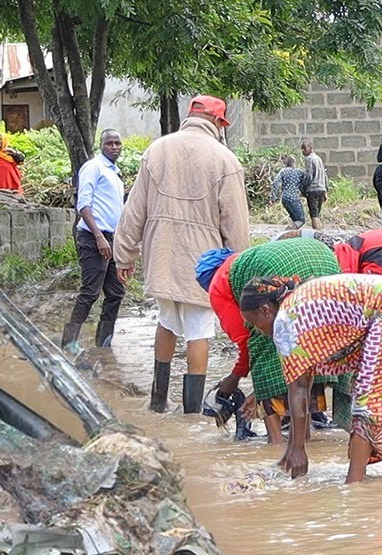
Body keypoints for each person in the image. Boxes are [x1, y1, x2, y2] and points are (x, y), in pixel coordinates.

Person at [115, 94, 251, 413]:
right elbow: (235, 223)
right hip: (203, 263)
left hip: (160, 254)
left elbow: (134, 210)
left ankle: (158, 400)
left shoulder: (157, 150)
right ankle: (192, 413)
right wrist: (241, 270)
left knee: (167, 321)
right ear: (218, 122)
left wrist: (125, 254)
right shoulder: (225, 160)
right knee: (199, 329)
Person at [239, 274, 382, 484]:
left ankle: (353, 487)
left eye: (254, 324)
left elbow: (299, 388)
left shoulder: (286, 320)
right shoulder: (295, 303)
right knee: (369, 390)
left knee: (369, 399)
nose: (257, 330)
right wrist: (295, 444)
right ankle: (359, 479)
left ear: (265, 310)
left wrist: (297, 449)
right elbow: (305, 378)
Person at [196, 237, 341, 443]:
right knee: (311, 340)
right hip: (325, 258)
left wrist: (232, 381)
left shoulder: (218, 286)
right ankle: (304, 432)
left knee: (263, 349)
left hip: (280, 267)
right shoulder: (244, 263)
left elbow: (247, 342)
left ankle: (275, 442)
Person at [62, 129, 126, 354]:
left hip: (112, 239)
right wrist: (98, 236)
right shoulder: (93, 167)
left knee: (116, 292)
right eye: (110, 143)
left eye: (118, 143)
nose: (114, 147)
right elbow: (83, 204)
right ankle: (69, 342)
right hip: (93, 237)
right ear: (101, 145)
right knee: (90, 291)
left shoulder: (115, 173)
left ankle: (104, 342)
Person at [270, 155, 309, 229]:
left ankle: (290, 234)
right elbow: (307, 180)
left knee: (295, 220)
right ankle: (287, 234)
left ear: (286, 163)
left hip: (284, 198)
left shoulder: (283, 171)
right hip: (293, 198)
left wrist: (273, 198)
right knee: (301, 220)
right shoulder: (299, 172)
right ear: (294, 163)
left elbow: (275, 183)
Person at [301, 139, 328, 230]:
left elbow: (308, 175)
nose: (303, 151)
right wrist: (325, 190)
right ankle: (320, 232)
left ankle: (316, 233)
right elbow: (324, 175)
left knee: (313, 213)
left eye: (304, 149)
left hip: (313, 189)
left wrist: (303, 188)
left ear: (311, 148)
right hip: (321, 188)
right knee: (317, 213)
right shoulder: (319, 158)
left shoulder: (309, 159)